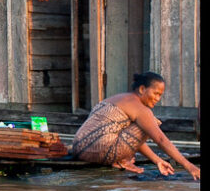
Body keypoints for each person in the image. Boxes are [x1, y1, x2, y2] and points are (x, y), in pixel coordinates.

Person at [71, 71, 200, 181]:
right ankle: (122, 160)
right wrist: (189, 166)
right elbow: (161, 140)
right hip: (100, 151)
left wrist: (157, 160)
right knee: (152, 122)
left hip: (79, 148)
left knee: (142, 125)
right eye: (156, 93)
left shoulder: (119, 97)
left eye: (160, 95)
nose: (158, 98)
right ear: (142, 89)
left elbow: (132, 139)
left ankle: (121, 159)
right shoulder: (139, 108)